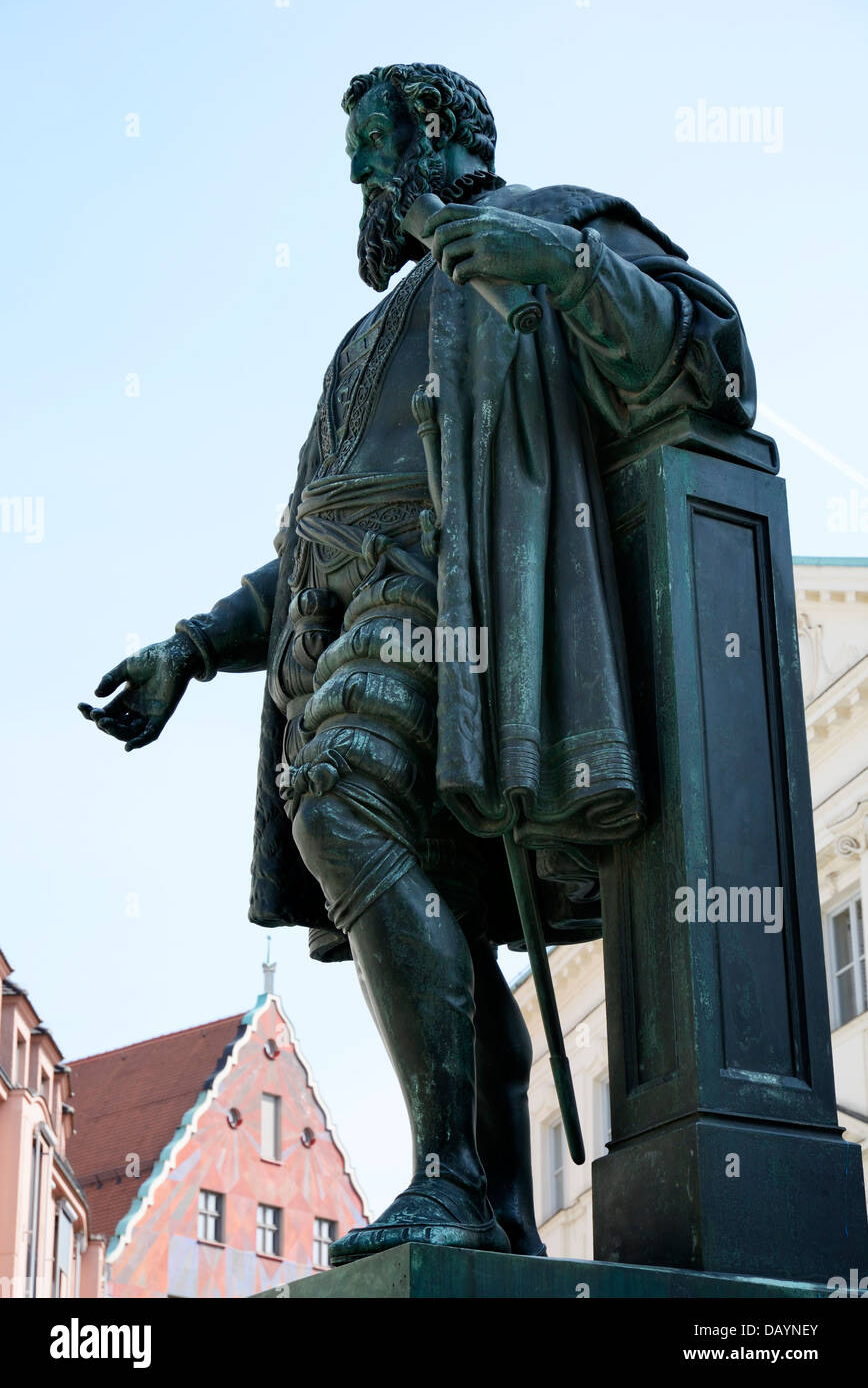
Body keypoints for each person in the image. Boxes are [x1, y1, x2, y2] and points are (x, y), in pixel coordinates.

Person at [80, 63, 756, 1265]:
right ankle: (478, 1182)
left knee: (335, 793)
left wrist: (566, 273)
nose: (354, 172)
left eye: (368, 141)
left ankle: (458, 1169)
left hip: (471, 617)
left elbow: (708, 359)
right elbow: (302, 550)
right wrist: (190, 647)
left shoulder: (556, 225)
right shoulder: (357, 346)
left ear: (436, 132)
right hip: (344, 626)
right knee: (351, 825)